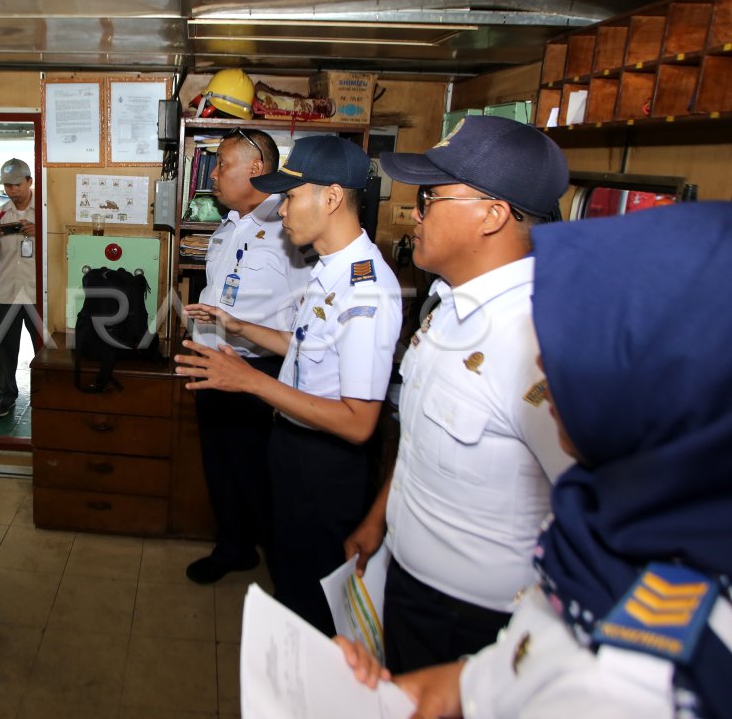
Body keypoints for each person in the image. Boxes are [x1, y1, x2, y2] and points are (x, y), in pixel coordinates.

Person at [337, 202, 732, 719]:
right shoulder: (597, 550)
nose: (543, 362)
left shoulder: (644, 679)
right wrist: (401, 694)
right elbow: (494, 679)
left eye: (584, 346)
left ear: (665, 383)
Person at [342, 115, 574, 674]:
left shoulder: (538, 340)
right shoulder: (450, 306)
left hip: (480, 625)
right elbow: (422, 440)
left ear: (493, 215)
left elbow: (594, 514)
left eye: (429, 198)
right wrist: (380, 519)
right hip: (408, 580)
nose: (413, 215)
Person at [175, 135, 401, 634]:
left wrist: (248, 380)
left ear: (332, 197)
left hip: (326, 463)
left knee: (314, 607)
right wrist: (237, 326)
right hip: (295, 443)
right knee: (294, 591)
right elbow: (301, 346)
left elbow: (360, 423)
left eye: (293, 197)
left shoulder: (366, 290)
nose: (283, 211)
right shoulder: (330, 271)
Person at [181, 128, 311, 585]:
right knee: (221, 468)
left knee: (262, 478)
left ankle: (286, 575)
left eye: (221, 165)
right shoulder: (230, 223)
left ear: (257, 168)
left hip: (259, 370)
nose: (213, 175)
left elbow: (307, 320)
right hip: (213, 365)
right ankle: (233, 548)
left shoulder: (290, 231)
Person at [0, 158, 40, 419]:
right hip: (5, 292)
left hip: (36, 292)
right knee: (5, 349)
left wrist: (39, 233)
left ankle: (44, 394)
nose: (11, 190)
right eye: (7, 185)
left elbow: (60, 249)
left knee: (42, 347)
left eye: (16, 184)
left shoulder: (44, 212)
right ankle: (6, 396)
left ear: (30, 181)